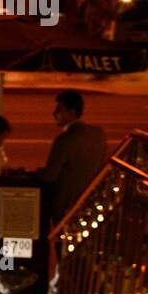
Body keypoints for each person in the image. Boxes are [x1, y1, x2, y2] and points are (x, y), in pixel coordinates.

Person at [41, 89, 108, 226]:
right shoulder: (98, 135)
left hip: (67, 205)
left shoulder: (65, 139)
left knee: (63, 244)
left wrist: (38, 173)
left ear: (71, 113)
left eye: (59, 109)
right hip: (91, 202)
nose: (55, 114)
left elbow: (51, 175)